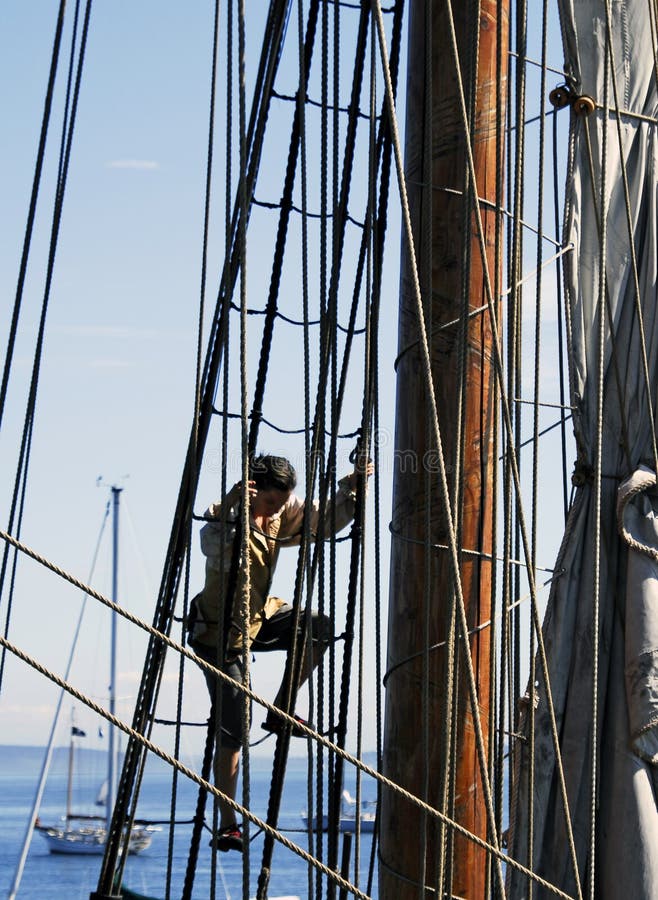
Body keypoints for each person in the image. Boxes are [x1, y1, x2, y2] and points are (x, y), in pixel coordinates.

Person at [188, 453, 372, 853]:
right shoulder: (226, 517)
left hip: (257, 615)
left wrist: (353, 486)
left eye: (282, 502)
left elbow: (322, 519)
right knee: (234, 729)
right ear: (253, 490)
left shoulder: (277, 514)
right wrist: (232, 503)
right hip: (220, 636)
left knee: (317, 628)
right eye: (271, 501)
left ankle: (282, 709)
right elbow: (210, 544)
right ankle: (228, 822)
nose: (277, 509)